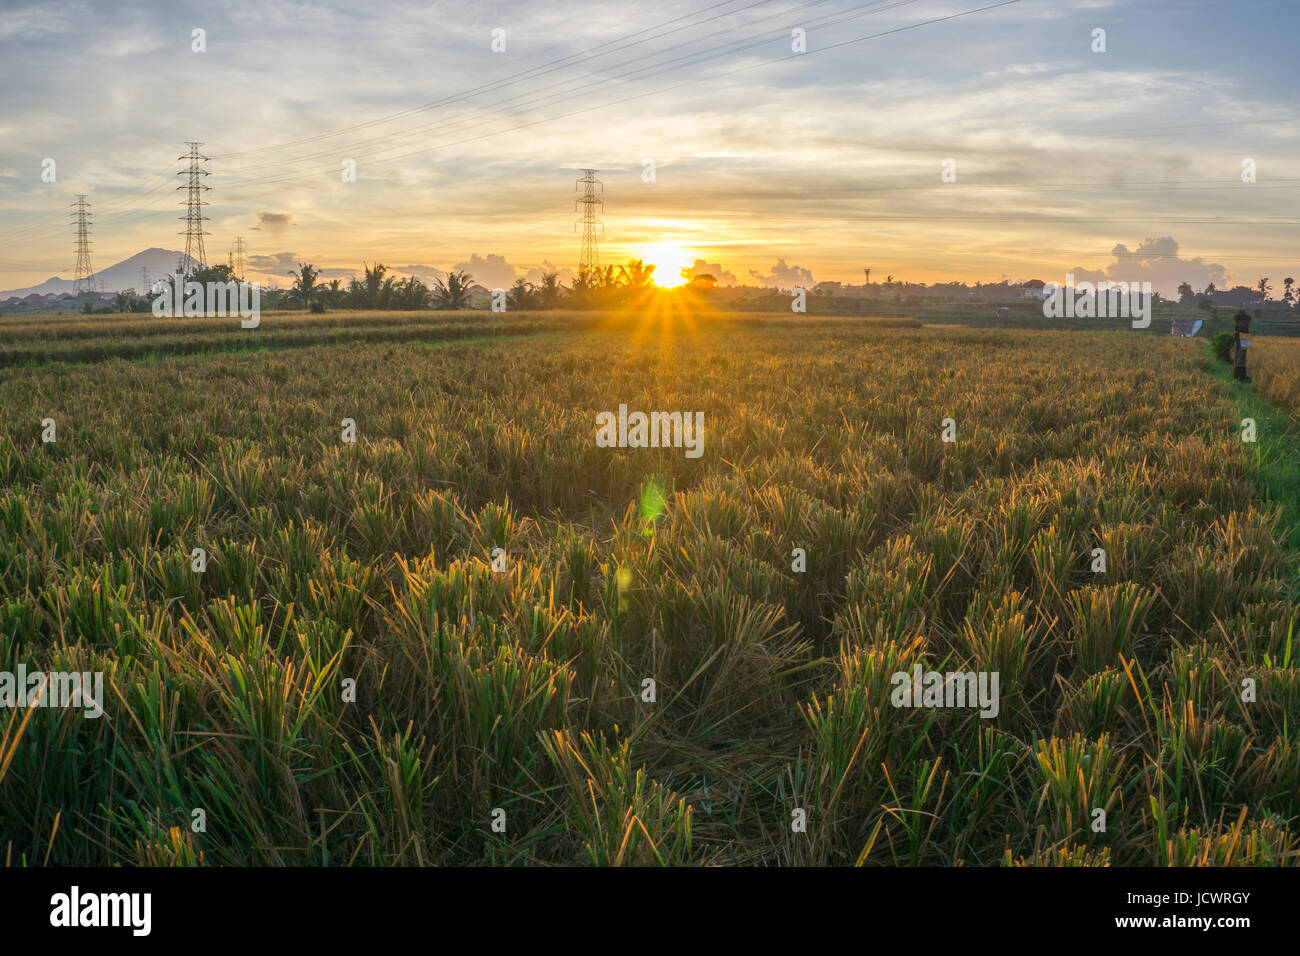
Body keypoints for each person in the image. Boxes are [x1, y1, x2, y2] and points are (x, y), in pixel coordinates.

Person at [1232, 310, 1252, 382]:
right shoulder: (1248, 318)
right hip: (1245, 336)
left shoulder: (1236, 318)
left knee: (1237, 355)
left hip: (1237, 335)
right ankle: (1241, 377)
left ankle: (1236, 375)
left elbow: (1235, 327)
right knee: (1242, 356)